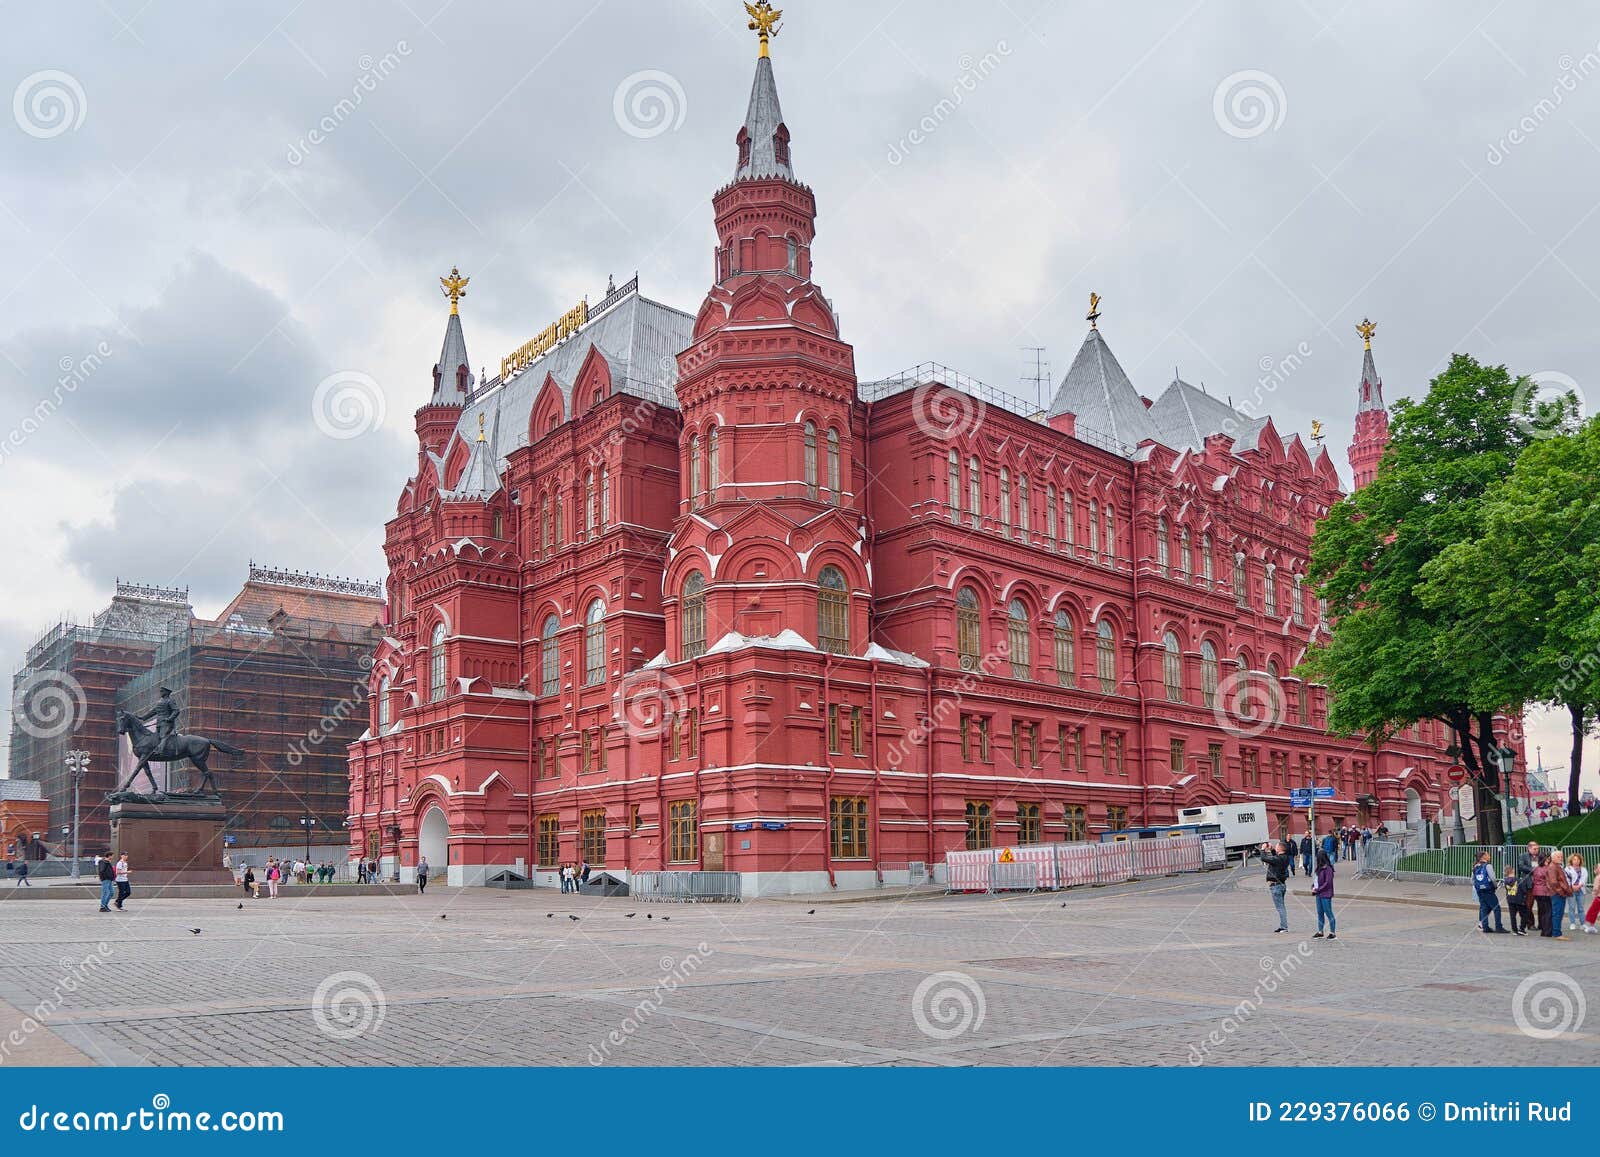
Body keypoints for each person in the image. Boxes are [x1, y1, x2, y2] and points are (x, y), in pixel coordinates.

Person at [1258, 841, 1290, 933]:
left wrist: (1263, 849)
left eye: (1276, 846)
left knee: (1280, 908)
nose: (1275, 847)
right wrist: (1271, 849)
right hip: (1282, 884)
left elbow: (1264, 858)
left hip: (1276, 886)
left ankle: (1284, 927)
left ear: (1280, 849)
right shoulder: (1285, 858)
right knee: (1281, 907)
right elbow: (1275, 858)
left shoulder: (1278, 859)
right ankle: (1283, 926)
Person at [1472, 850, 1508, 933]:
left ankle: (1485, 926)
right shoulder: (1488, 866)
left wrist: (1478, 887)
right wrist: (1495, 886)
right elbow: (1492, 878)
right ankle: (1499, 927)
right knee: (1496, 908)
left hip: (1479, 890)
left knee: (1484, 907)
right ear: (1483, 857)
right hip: (1488, 890)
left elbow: (1473, 880)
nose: (1489, 855)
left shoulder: (1475, 866)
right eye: (1487, 854)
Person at [1312, 849, 1337, 939]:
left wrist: (1318, 889)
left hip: (1326, 893)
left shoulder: (1328, 869)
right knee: (1320, 912)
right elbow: (1316, 880)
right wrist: (1313, 887)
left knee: (1328, 912)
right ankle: (1320, 931)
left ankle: (1332, 932)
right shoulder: (1319, 868)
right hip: (1319, 893)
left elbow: (1328, 882)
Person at [1548, 850, 1572, 940]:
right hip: (1557, 894)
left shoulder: (1557, 866)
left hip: (1558, 893)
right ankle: (1557, 933)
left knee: (1558, 913)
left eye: (1561, 856)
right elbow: (1553, 882)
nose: (1561, 858)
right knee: (1557, 913)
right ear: (1553, 858)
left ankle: (1556, 932)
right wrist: (1562, 892)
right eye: (1558, 857)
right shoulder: (1552, 867)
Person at [1532, 849, 1553, 937]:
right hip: (1545, 892)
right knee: (1548, 912)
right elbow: (1550, 881)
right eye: (1547, 859)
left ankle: (1542, 928)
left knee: (1542, 911)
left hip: (1536, 891)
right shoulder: (1547, 869)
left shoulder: (1536, 868)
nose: (1548, 860)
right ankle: (1547, 931)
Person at [1565, 853, 1587, 934]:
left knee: (1581, 908)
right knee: (1572, 907)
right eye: (1574, 859)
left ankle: (1582, 924)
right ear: (1571, 860)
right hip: (1571, 890)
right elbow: (1566, 879)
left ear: (1580, 861)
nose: (1576, 861)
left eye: (1578, 859)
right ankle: (1572, 923)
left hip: (1581, 890)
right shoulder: (1567, 869)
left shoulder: (1584, 869)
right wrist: (1572, 886)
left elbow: (1584, 879)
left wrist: (1579, 885)